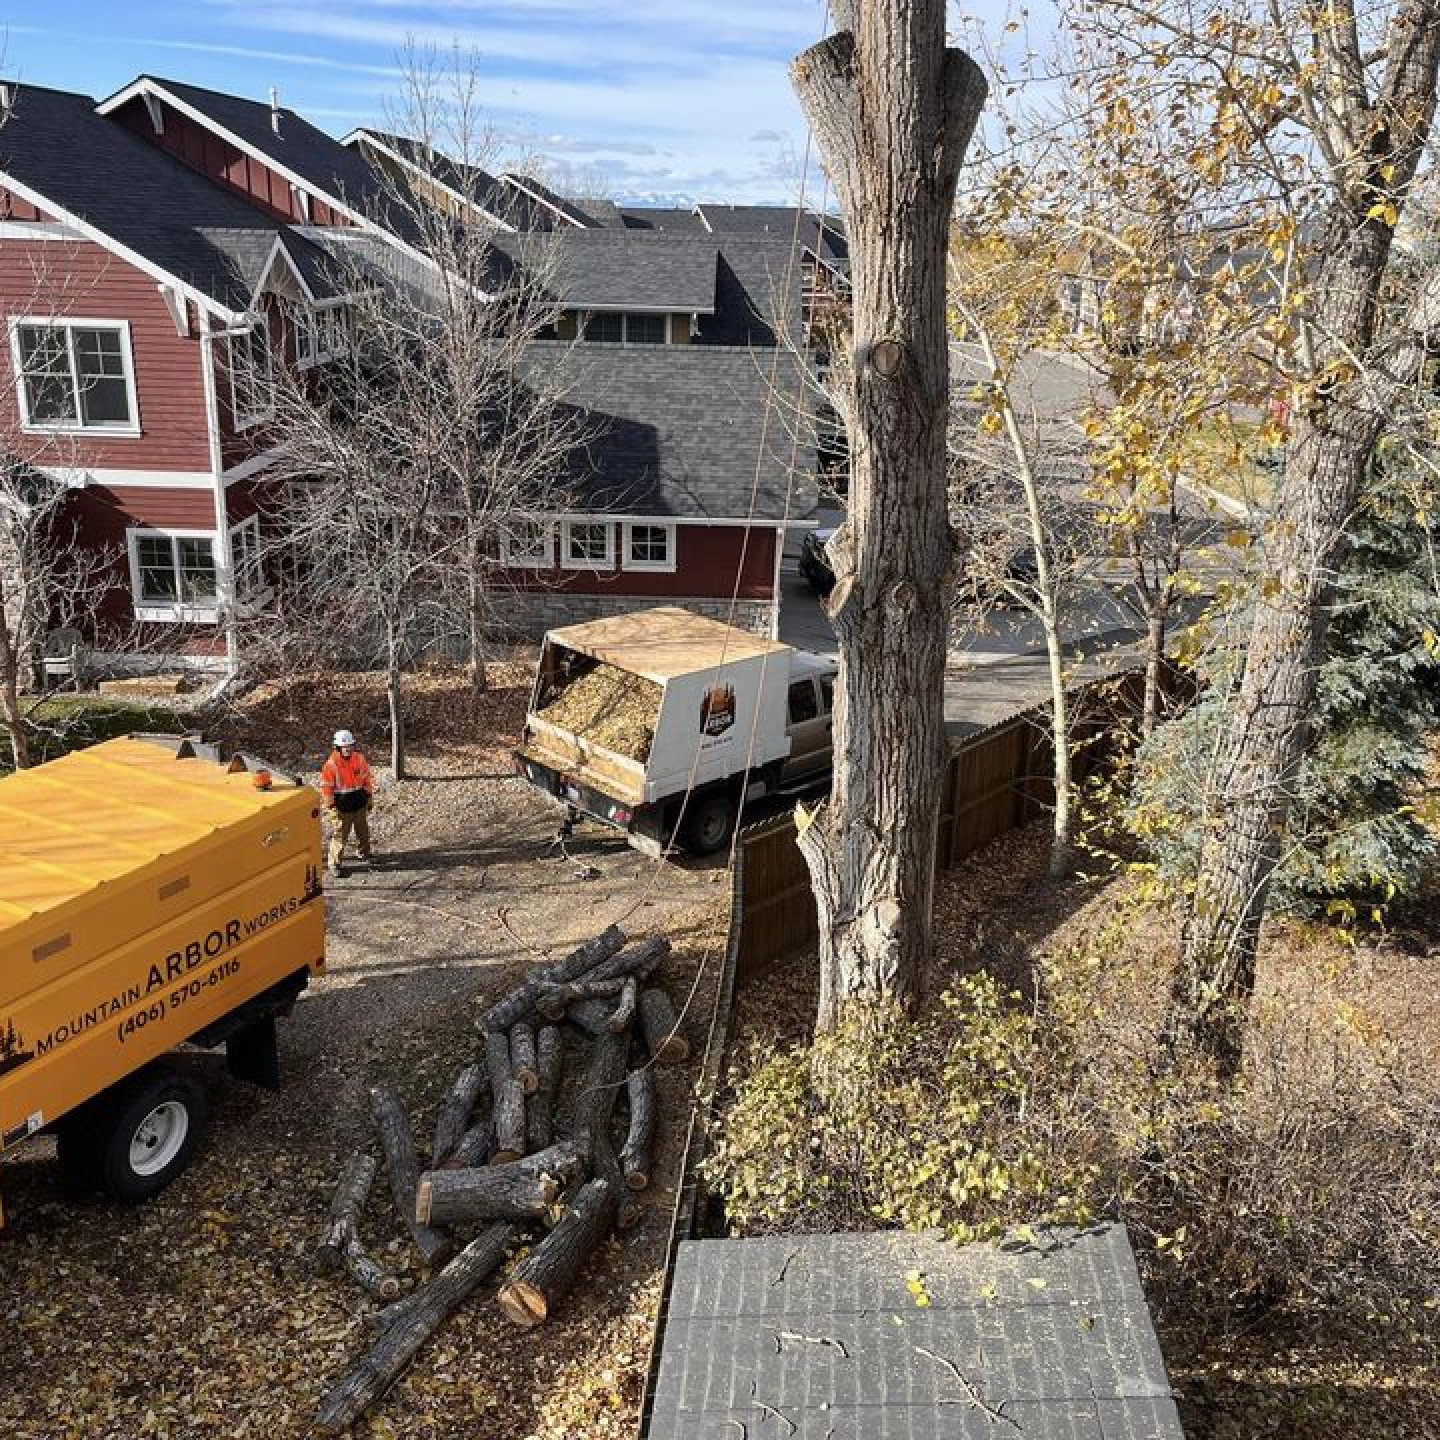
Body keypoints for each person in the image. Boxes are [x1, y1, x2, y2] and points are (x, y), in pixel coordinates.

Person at [320, 729, 375, 874]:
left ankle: (364, 853)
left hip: (359, 803)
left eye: (350, 746)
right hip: (342, 808)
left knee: (363, 832)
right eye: (345, 747)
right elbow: (327, 789)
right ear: (337, 748)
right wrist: (331, 808)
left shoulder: (359, 759)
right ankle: (334, 864)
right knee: (339, 836)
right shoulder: (330, 765)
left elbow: (366, 779)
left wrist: (369, 796)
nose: (348, 749)